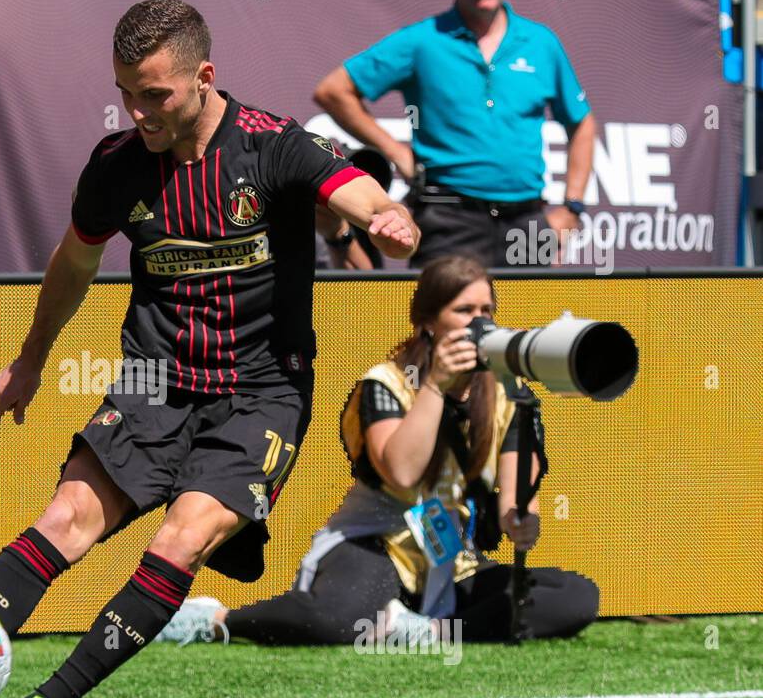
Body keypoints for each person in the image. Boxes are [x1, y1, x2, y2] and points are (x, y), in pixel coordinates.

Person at [0, 0, 419, 698]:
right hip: (152, 378)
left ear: (205, 77)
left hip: (261, 394)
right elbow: (73, 264)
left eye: (155, 93)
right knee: (67, 516)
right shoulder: (116, 166)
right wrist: (33, 356)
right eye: (127, 93)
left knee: (183, 538)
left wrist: (385, 219)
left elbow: (350, 190)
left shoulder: (275, 147)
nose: (139, 111)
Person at [157, 256, 599, 648]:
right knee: (337, 621)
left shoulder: (507, 393)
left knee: (574, 597)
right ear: (428, 321)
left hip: (450, 558)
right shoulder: (385, 384)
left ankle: (425, 631)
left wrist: (521, 520)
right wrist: (436, 386)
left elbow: (516, 497)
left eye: (486, 311)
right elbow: (402, 473)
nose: (478, 322)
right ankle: (215, 619)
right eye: (464, 311)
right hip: (375, 542)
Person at [313, 0, 596, 270]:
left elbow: (582, 123)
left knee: (534, 320)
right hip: (448, 217)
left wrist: (572, 207)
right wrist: (396, 151)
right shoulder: (423, 41)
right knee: (444, 320)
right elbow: (334, 91)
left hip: (527, 220)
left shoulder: (540, 42)